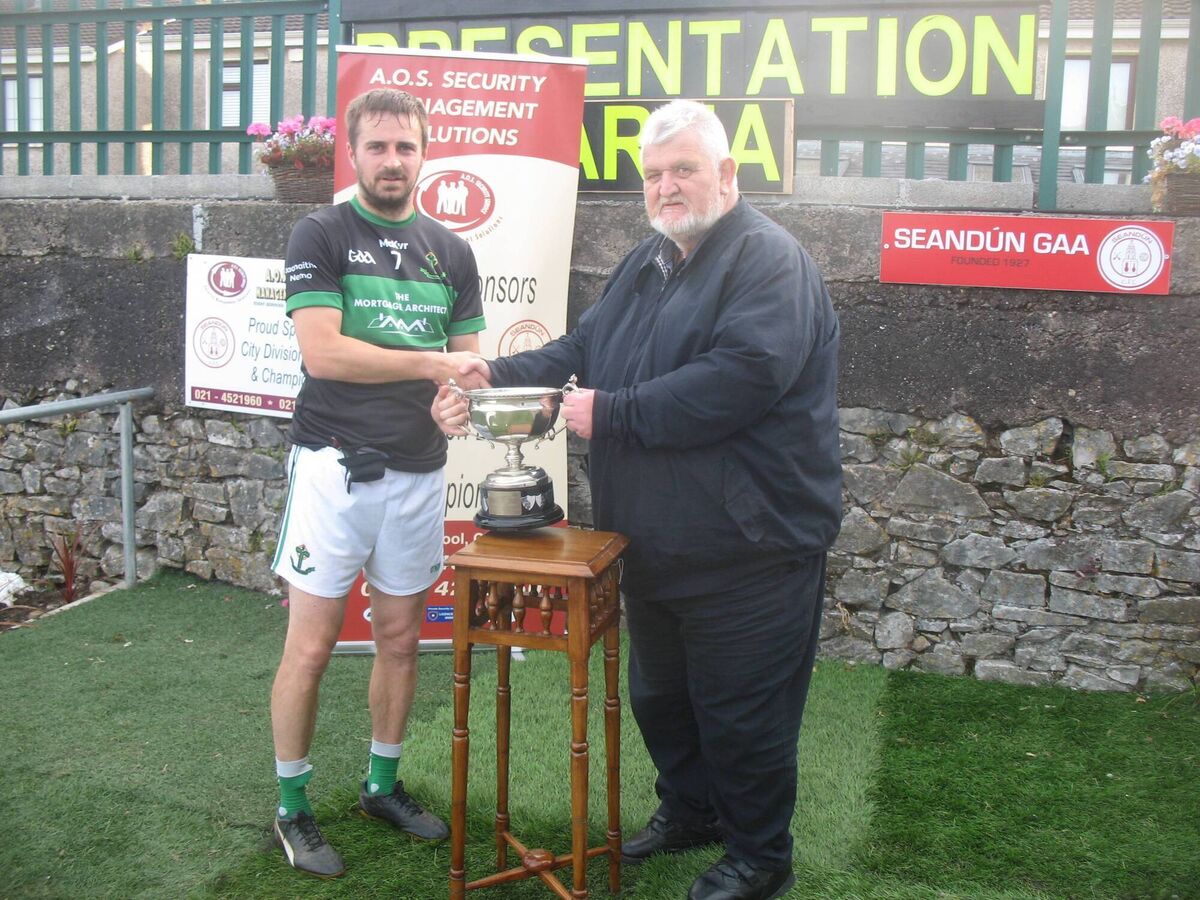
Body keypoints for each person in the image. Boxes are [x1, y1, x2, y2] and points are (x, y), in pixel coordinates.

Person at [433, 99, 842, 900]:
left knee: (742, 713)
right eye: (654, 175)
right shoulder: (646, 262)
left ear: (727, 174)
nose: (666, 187)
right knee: (662, 697)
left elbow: (743, 377)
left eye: (683, 169)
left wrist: (611, 412)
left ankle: (761, 857)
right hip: (654, 540)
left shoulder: (768, 259)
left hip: (750, 544)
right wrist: (495, 376)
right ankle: (693, 811)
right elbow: (584, 349)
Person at [268, 88, 487, 879]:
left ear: (425, 154)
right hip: (333, 467)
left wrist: (458, 402)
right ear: (352, 154)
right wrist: (434, 364)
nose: (393, 161)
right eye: (378, 147)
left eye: (406, 148)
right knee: (314, 644)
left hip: (421, 474)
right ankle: (293, 805)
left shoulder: (453, 252)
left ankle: (380, 785)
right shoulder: (321, 230)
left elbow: (466, 364)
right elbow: (323, 354)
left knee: (400, 638)